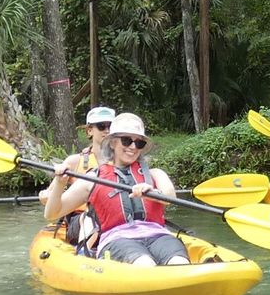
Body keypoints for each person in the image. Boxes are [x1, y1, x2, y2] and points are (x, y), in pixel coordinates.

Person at [50, 112, 189, 265]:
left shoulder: (156, 174)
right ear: (112, 143)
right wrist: (59, 183)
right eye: (126, 140)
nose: (133, 147)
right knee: (144, 263)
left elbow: (170, 196)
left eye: (139, 143)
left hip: (159, 236)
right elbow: (52, 213)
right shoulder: (92, 179)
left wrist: (152, 194)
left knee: (179, 262)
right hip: (118, 239)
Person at [43, 105, 114, 249]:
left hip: (112, 217)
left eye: (110, 126)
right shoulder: (74, 162)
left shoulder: (121, 162)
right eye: (101, 126)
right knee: (92, 218)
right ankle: (86, 254)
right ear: (89, 130)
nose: (107, 130)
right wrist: (45, 195)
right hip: (79, 219)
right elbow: (49, 197)